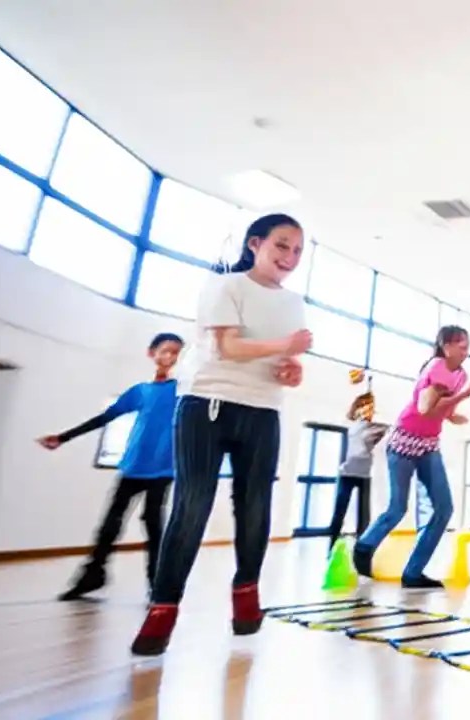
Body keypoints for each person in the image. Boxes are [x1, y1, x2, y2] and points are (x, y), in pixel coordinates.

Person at [130, 214, 311, 656]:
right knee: (193, 504)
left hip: (262, 409)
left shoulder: (293, 304)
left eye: (297, 251)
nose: (289, 257)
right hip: (206, 404)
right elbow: (228, 348)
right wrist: (284, 348)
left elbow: (284, 366)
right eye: (281, 246)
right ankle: (163, 607)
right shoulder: (225, 286)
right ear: (255, 244)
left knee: (254, 506)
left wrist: (291, 369)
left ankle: (246, 593)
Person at [39, 332, 184, 600]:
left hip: (163, 469)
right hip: (132, 467)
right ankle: (93, 576)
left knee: (153, 523)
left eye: (177, 352)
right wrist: (63, 437)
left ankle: (158, 586)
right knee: (109, 524)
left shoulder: (183, 391)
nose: (171, 357)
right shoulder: (140, 391)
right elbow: (105, 417)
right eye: (165, 350)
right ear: (151, 354)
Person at [353, 326, 470, 589]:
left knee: (444, 509)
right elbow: (424, 410)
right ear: (445, 346)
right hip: (404, 441)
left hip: (428, 444)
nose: (466, 351)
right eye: (461, 345)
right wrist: (465, 394)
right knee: (398, 507)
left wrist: (454, 414)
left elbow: (443, 410)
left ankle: (413, 572)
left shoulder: (461, 375)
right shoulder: (435, 367)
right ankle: (364, 547)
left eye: (468, 346)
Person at [327, 383, 389, 554]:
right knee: (339, 512)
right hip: (347, 473)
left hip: (364, 475)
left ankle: (362, 552)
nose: (369, 410)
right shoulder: (353, 424)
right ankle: (330, 549)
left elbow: (388, 430)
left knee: (364, 517)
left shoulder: (374, 428)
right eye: (366, 406)